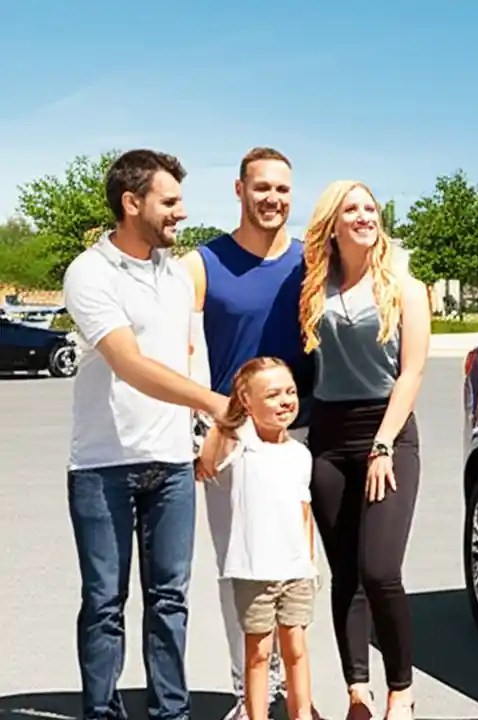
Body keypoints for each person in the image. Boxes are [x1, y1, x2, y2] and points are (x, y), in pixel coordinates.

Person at [62, 149, 229, 720]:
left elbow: (191, 353)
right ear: (132, 203)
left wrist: (205, 428)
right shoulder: (89, 272)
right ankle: (102, 712)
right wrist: (212, 401)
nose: (181, 212)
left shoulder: (176, 275)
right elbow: (128, 364)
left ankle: (170, 712)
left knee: (170, 601)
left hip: (172, 464)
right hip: (102, 465)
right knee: (105, 603)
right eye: (170, 200)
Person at [185, 146, 314, 720]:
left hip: (301, 431)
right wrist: (211, 428)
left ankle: (294, 692)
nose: (273, 199)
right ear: (239, 190)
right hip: (232, 438)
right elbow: (185, 348)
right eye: (261, 188)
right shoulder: (203, 264)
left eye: (283, 189)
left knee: (299, 566)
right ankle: (249, 693)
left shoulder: (313, 261)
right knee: (239, 566)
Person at [298, 180, 430, 720]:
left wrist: (382, 445)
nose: (363, 216)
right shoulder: (314, 286)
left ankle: (402, 687)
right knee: (345, 573)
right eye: (351, 209)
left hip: (387, 432)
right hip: (328, 436)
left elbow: (413, 370)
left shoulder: (404, 285)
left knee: (380, 570)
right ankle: (358, 690)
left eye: (370, 208)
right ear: (332, 223)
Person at [208, 357, 316, 720]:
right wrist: (230, 413)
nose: (285, 401)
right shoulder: (239, 444)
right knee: (258, 652)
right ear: (247, 401)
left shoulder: (300, 454)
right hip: (254, 573)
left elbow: (305, 512)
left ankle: (301, 713)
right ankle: (258, 714)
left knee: (296, 649)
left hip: (296, 571)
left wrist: (310, 565)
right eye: (272, 395)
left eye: (290, 392)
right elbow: (207, 461)